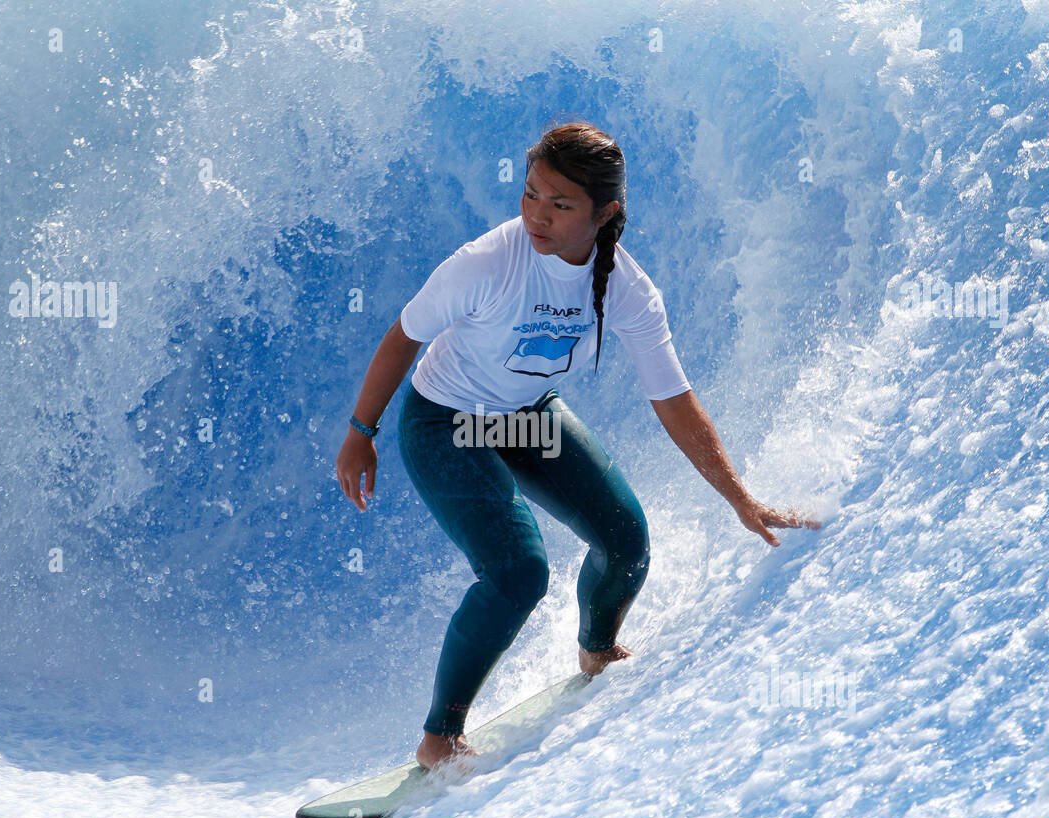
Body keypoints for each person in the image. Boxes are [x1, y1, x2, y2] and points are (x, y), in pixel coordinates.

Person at [336, 122, 820, 770]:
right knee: (518, 573)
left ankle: (597, 650)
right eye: (531, 194)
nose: (538, 215)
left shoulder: (626, 289)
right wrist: (359, 434)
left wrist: (741, 498)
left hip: (524, 417)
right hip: (446, 421)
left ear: (605, 213)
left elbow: (672, 399)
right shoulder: (485, 263)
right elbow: (403, 337)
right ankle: (439, 739)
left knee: (625, 540)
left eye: (560, 204)